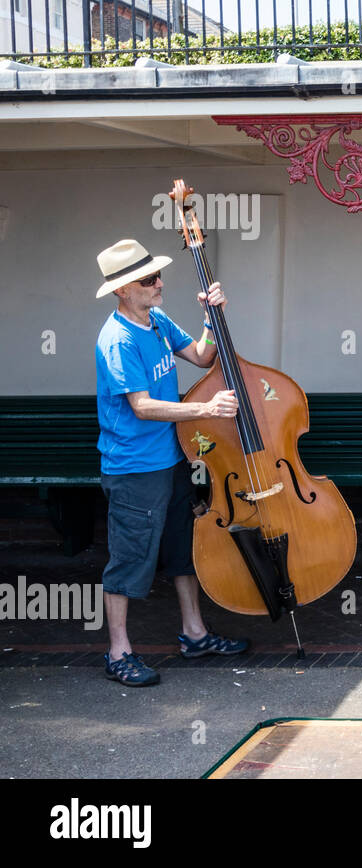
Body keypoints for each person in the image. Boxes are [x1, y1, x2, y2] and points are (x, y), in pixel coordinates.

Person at [94, 239, 248, 687]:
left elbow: (201, 354)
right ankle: (118, 651)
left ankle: (195, 633)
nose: (159, 283)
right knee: (129, 558)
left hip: (171, 457)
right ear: (124, 290)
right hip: (134, 467)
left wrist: (211, 319)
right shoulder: (118, 339)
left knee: (183, 550)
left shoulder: (156, 320)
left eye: (158, 275)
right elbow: (142, 406)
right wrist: (205, 410)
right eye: (148, 279)